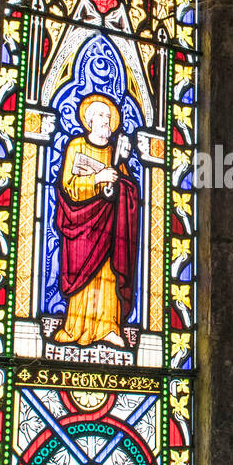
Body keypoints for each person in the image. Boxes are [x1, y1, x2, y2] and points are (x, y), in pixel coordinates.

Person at [53, 94, 139, 346]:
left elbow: (129, 188)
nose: (107, 120)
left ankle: (109, 327)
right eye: (101, 115)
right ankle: (75, 327)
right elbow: (68, 186)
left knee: (108, 275)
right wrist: (98, 179)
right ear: (89, 119)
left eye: (109, 117)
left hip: (110, 226)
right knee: (85, 277)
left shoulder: (114, 152)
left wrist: (119, 181)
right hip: (81, 226)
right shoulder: (76, 146)